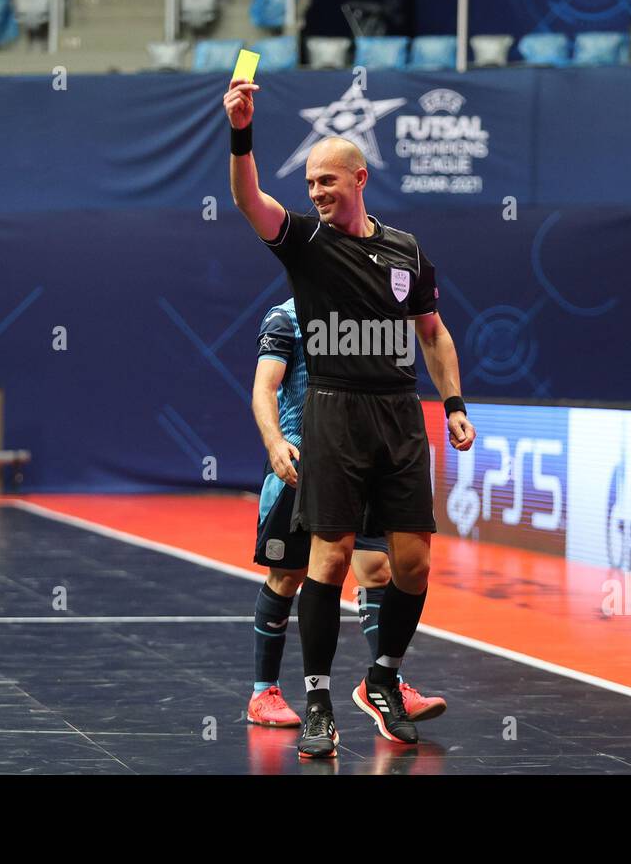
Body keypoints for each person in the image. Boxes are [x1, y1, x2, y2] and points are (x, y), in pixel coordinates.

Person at [224, 76, 475, 759]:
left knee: (413, 563)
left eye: (327, 181)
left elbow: (434, 332)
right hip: (333, 414)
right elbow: (249, 199)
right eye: (309, 184)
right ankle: (316, 702)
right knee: (327, 562)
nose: (316, 193)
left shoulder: (406, 250)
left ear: (359, 179)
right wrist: (241, 131)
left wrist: (452, 403)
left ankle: (383, 678)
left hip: (398, 417)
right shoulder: (305, 243)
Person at [246, 296, 447, 728]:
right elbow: (264, 388)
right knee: (288, 576)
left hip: (359, 463)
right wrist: (275, 442)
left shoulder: (365, 318)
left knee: (377, 569)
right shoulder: (285, 318)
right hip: (301, 463)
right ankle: (264, 692)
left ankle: (383, 686)